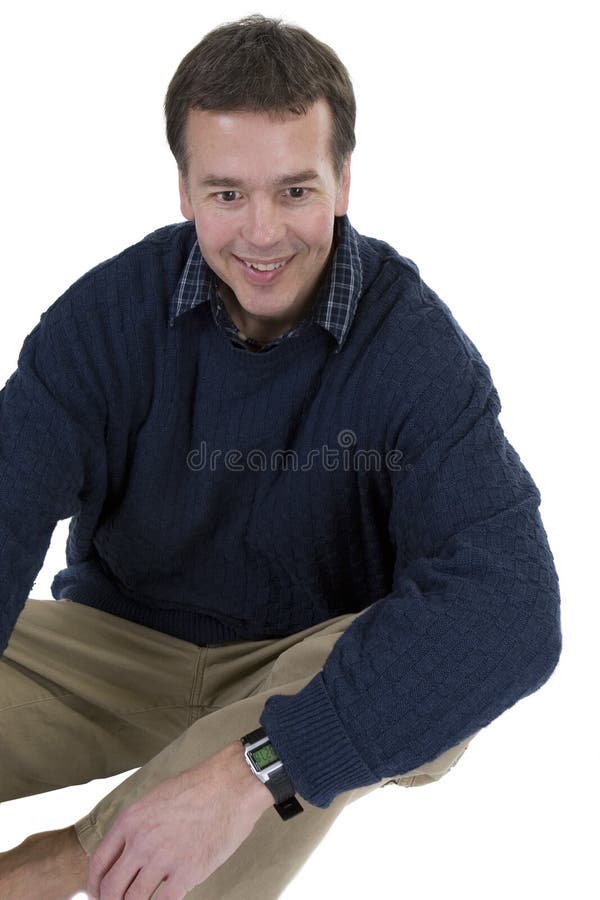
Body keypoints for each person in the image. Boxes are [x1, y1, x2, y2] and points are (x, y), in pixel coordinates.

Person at [0, 13, 561, 900]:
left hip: (299, 675)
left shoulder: (411, 345)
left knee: (409, 666)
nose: (262, 235)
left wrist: (256, 767)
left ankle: (70, 864)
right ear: (183, 190)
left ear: (343, 181)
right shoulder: (108, 318)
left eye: (294, 191)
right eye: (227, 194)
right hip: (115, 651)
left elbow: (515, 604)